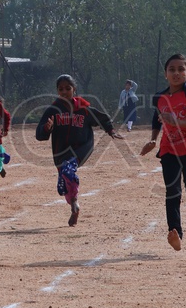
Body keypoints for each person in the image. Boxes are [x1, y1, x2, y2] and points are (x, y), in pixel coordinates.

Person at [140, 54, 186, 252]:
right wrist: (153, 139)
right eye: (172, 69)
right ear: (165, 74)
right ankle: (175, 233)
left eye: (181, 69)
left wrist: (176, 122)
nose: (176, 73)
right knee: (172, 191)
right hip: (169, 149)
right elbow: (158, 119)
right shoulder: (159, 98)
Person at [36, 74, 124, 226]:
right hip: (60, 152)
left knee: (68, 171)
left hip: (81, 148)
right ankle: (73, 206)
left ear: (74, 89)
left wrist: (110, 130)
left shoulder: (83, 108)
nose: (64, 92)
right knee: (63, 185)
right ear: (57, 91)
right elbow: (40, 134)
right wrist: (46, 128)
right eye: (61, 89)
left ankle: (75, 202)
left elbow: (101, 118)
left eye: (68, 88)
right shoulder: (53, 110)